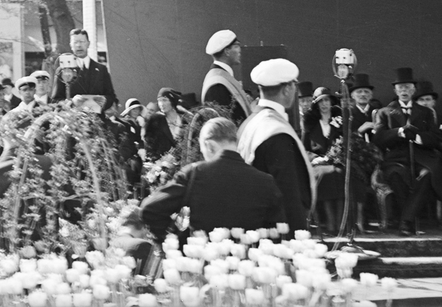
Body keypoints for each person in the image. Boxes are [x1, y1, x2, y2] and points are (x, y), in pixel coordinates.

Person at [141, 117, 285, 241]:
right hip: (248, 264)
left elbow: (149, 209)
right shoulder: (265, 181)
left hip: (201, 264)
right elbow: (276, 230)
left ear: (210, 146)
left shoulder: (194, 173)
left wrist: (176, 240)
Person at [236, 58, 314, 233]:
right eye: (294, 86)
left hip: (254, 223)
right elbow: (289, 193)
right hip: (276, 231)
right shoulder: (276, 132)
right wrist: (298, 235)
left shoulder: (249, 122)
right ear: (287, 89)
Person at [373, 67, 442, 236]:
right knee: (396, 175)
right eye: (401, 87)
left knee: (428, 174)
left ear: (413, 90)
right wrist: (398, 132)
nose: (404, 90)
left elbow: (436, 138)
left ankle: (406, 221)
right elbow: (378, 139)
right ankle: (409, 222)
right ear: (395, 90)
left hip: (422, 158)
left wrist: (418, 137)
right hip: (396, 159)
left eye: (407, 87)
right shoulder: (385, 112)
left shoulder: (426, 112)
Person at [302, 86, 344, 235]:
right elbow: (305, 149)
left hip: (339, 165)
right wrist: (318, 159)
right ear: (316, 104)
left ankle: (341, 224)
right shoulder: (310, 125)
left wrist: (334, 164)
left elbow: (347, 146)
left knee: (338, 176)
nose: (324, 104)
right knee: (324, 178)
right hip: (319, 166)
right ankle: (329, 224)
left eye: (326, 100)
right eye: (321, 101)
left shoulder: (340, 122)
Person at [52, 28, 118, 112]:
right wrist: (71, 102)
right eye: (75, 42)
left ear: (88, 44)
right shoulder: (63, 70)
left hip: (97, 120)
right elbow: (55, 100)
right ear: (71, 45)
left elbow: (111, 96)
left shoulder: (101, 69)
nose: (79, 45)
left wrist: (105, 100)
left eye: (82, 41)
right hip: (72, 120)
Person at [200, 29, 252, 124]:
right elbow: (222, 126)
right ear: (227, 51)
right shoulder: (216, 84)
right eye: (236, 46)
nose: (240, 50)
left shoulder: (223, 77)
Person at [144, 88, 187, 162]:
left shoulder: (184, 118)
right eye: (159, 100)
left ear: (172, 101)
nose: (161, 104)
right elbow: (150, 145)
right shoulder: (156, 120)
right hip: (164, 165)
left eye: (164, 100)